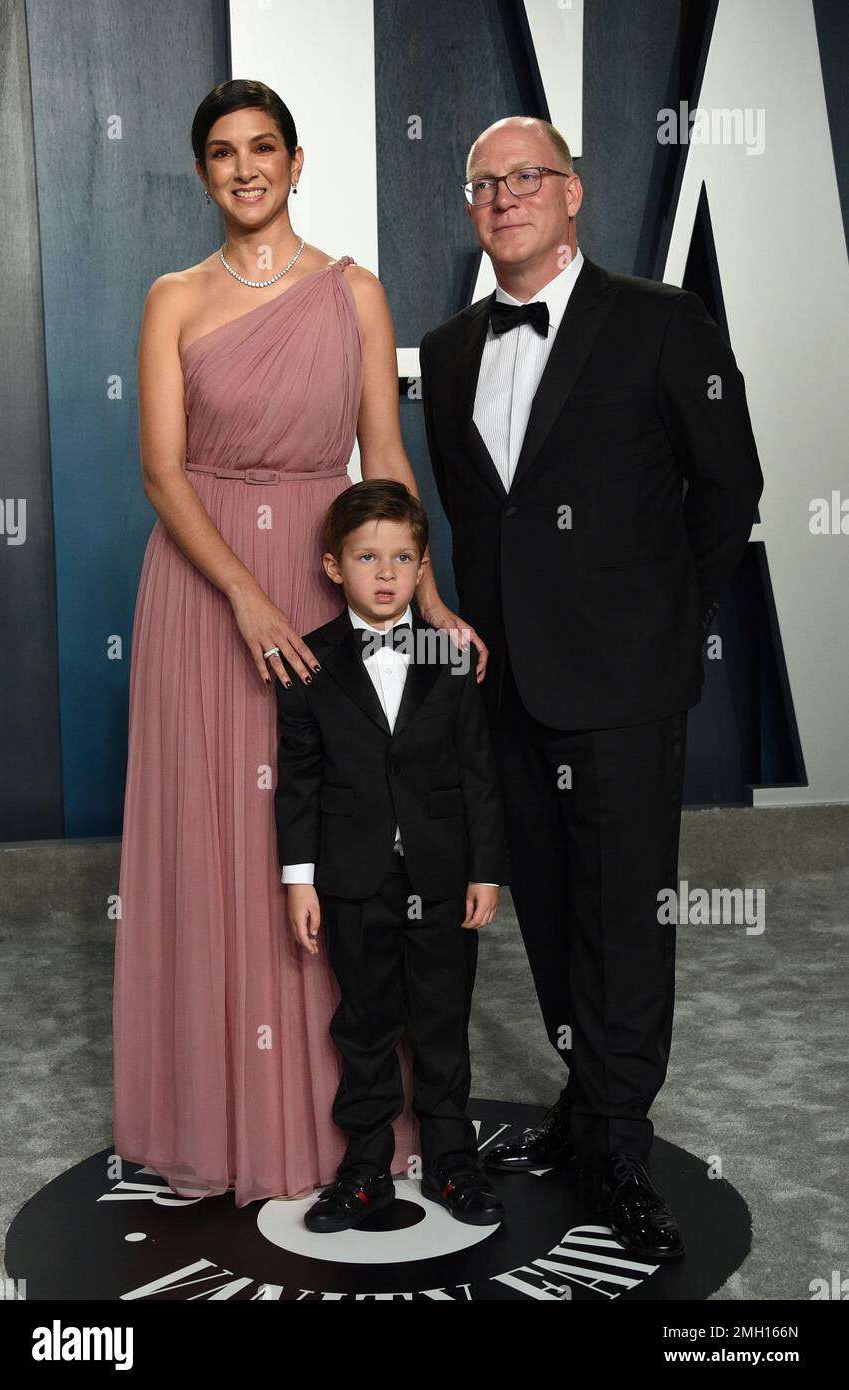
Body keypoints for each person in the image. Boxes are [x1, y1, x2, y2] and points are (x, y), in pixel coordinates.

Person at [112, 80, 483, 1207]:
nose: (243, 169)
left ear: (297, 159)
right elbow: (161, 473)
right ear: (200, 172)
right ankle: (223, 1114)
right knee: (221, 840)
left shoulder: (354, 293)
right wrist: (243, 596)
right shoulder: (172, 297)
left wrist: (428, 595)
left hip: (329, 576)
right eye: (220, 153)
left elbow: (384, 460)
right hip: (206, 588)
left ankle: (351, 1128)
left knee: (341, 827)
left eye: (261, 148)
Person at [419, 116, 764, 1257]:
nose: (505, 195)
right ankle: (583, 1104)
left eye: (528, 177)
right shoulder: (454, 344)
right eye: (486, 182)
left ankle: (619, 1140)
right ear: (473, 208)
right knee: (557, 915)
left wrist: (670, 624)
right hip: (508, 685)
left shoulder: (662, 322)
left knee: (624, 917)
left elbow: (728, 489)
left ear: (574, 194)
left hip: (622, 683)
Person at [274, 480, 509, 1229]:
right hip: (350, 878)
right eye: (367, 556)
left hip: (441, 874)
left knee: (441, 1019)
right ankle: (366, 1165)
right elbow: (299, 779)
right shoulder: (309, 661)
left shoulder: (450, 655)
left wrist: (484, 868)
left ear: (420, 568)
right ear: (333, 566)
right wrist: (299, 880)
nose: (384, 573)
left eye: (401, 557)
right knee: (365, 1024)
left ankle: (450, 1160)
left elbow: (479, 771)